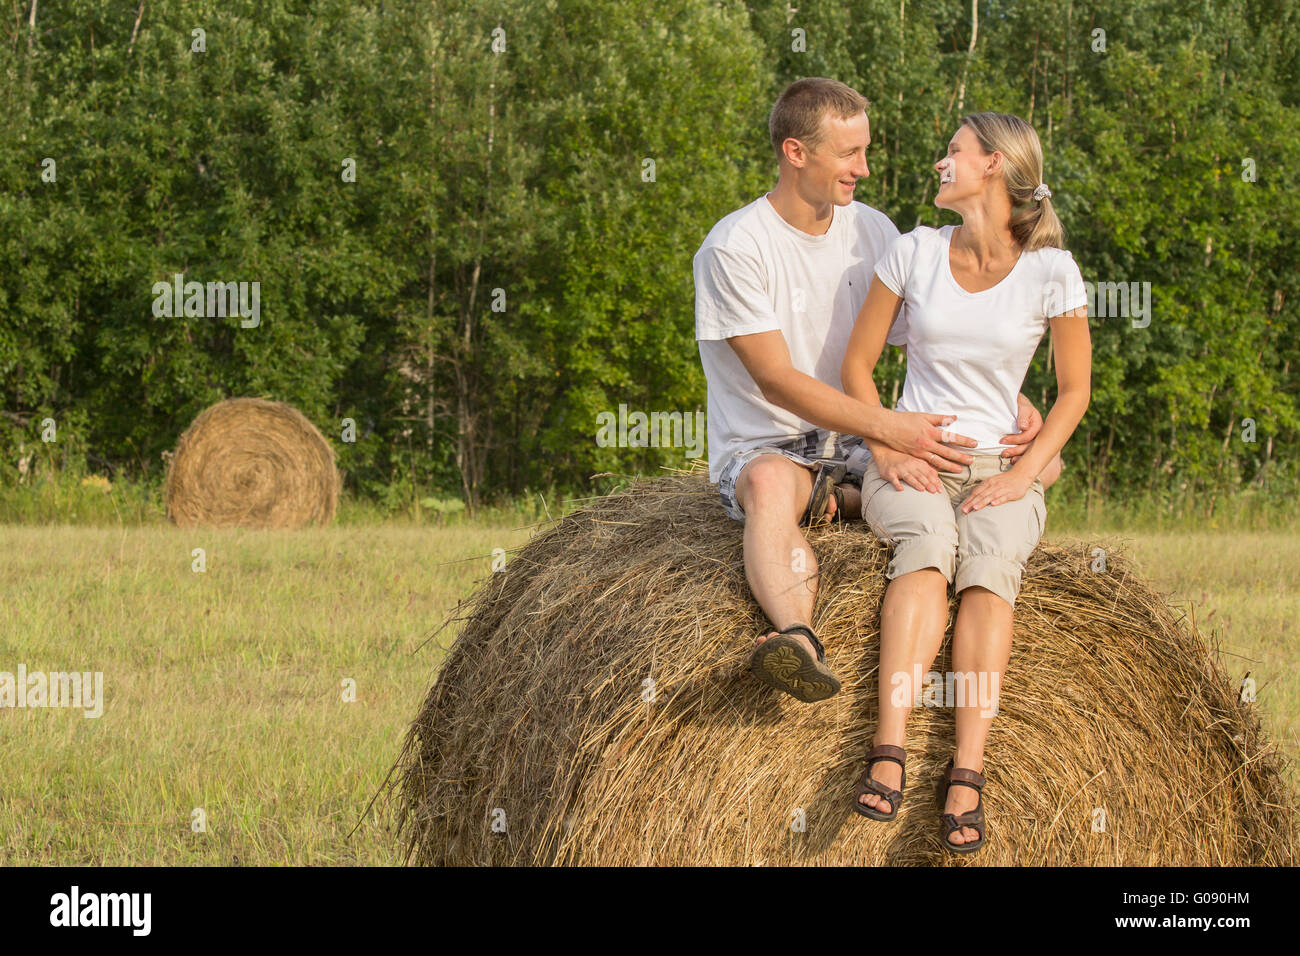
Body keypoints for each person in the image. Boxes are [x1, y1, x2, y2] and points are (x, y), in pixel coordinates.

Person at [693, 78, 1061, 705]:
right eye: (849, 155)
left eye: (865, 151)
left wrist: (1013, 404)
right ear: (796, 152)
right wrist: (887, 430)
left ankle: (846, 500)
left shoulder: (876, 232)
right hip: (768, 445)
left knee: (1042, 461)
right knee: (769, 486)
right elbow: (777, 381)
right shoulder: (734, 248)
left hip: (866, 445)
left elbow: (949, 339)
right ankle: (799, 637)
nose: (863, 168)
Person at [840, 112, 1091, 854]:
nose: (940, 162)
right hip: (912, 454)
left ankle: (967, 773)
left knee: (989, 572)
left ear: (993, 167)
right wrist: (884, 443)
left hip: (998, 470)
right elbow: (857, 368)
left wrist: (1022, 474)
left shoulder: (1053, 272)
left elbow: (1074, 391)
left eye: (954, 151)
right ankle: (890, 747)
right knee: (926, 544)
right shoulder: (912, 252)